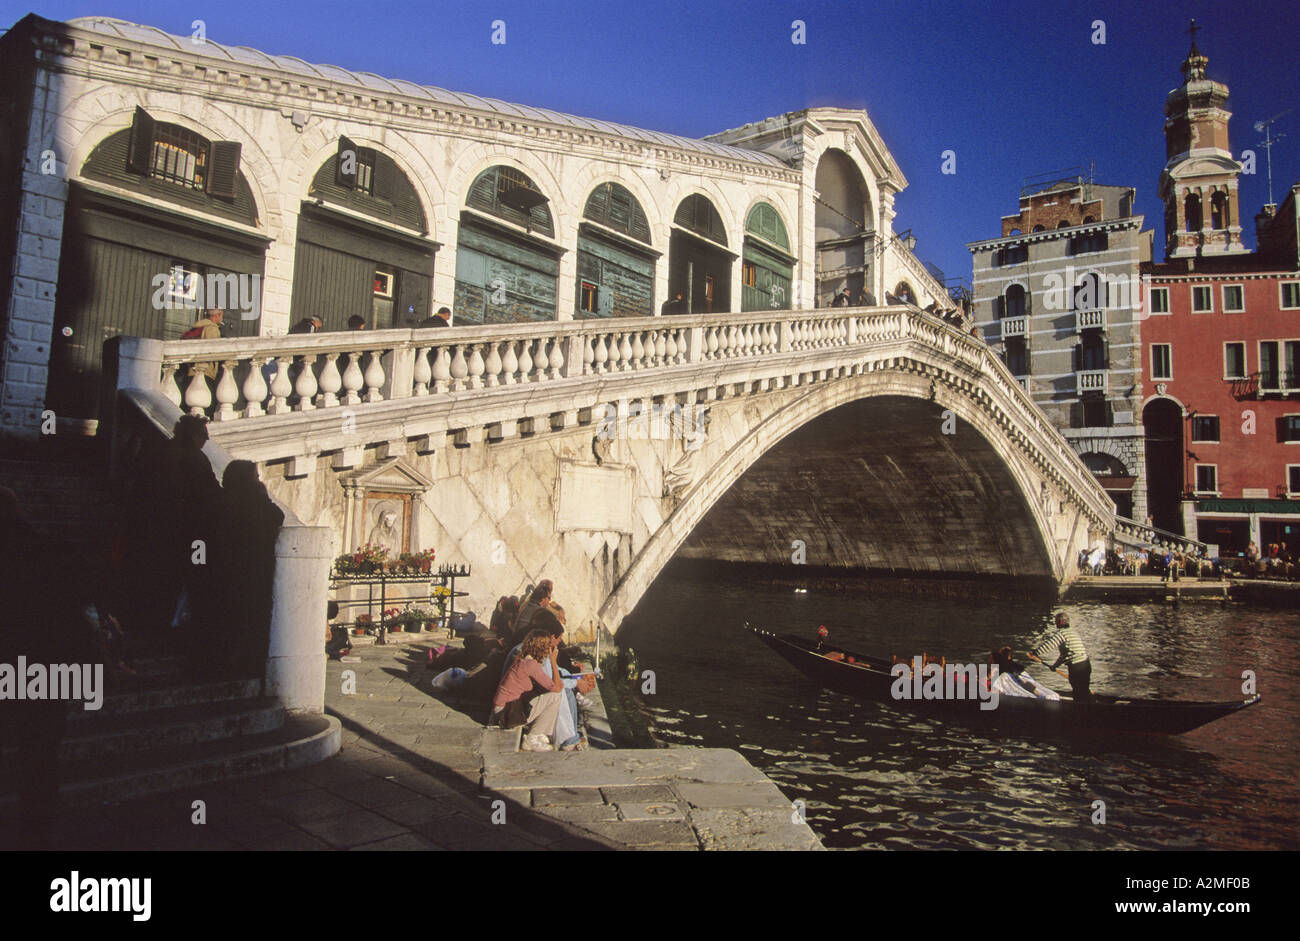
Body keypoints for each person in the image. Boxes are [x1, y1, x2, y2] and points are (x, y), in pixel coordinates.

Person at [490, 629, 565, 751]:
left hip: (501, 709)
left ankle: (538, 733)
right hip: (506, 714)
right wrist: (553, 662)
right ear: (541, 648)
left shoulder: (522, 660)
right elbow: (557, 688)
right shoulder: (530, 665)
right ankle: (532, 738)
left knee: (547, 695)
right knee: (555, 697)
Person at [1028, 613, 1090, 702]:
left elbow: (1049, 645)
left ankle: (1080, 709)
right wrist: (1055, 666)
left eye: (1056, 621)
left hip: (1077, 667)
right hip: (1086, 664)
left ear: (1060, 622)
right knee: (1083, 689)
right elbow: (1065, 655)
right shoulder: (1072, 632)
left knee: (1078, 690)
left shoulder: (1062, 633)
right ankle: (1086, 704)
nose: (1055, 623)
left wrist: (1035, 653)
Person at [989, 647, 1060, 700]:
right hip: (1021, 678)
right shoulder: (1015, 666)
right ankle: (1040, 695)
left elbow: (992, 678)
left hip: (1015, 679)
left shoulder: (999, 668)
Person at [510, 579, 553, 645]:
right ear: (543, 599)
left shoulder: (530, 604)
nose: (550, 601)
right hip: (521, 644)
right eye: (549, 598)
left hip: (516, 641)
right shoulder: (539, 611)